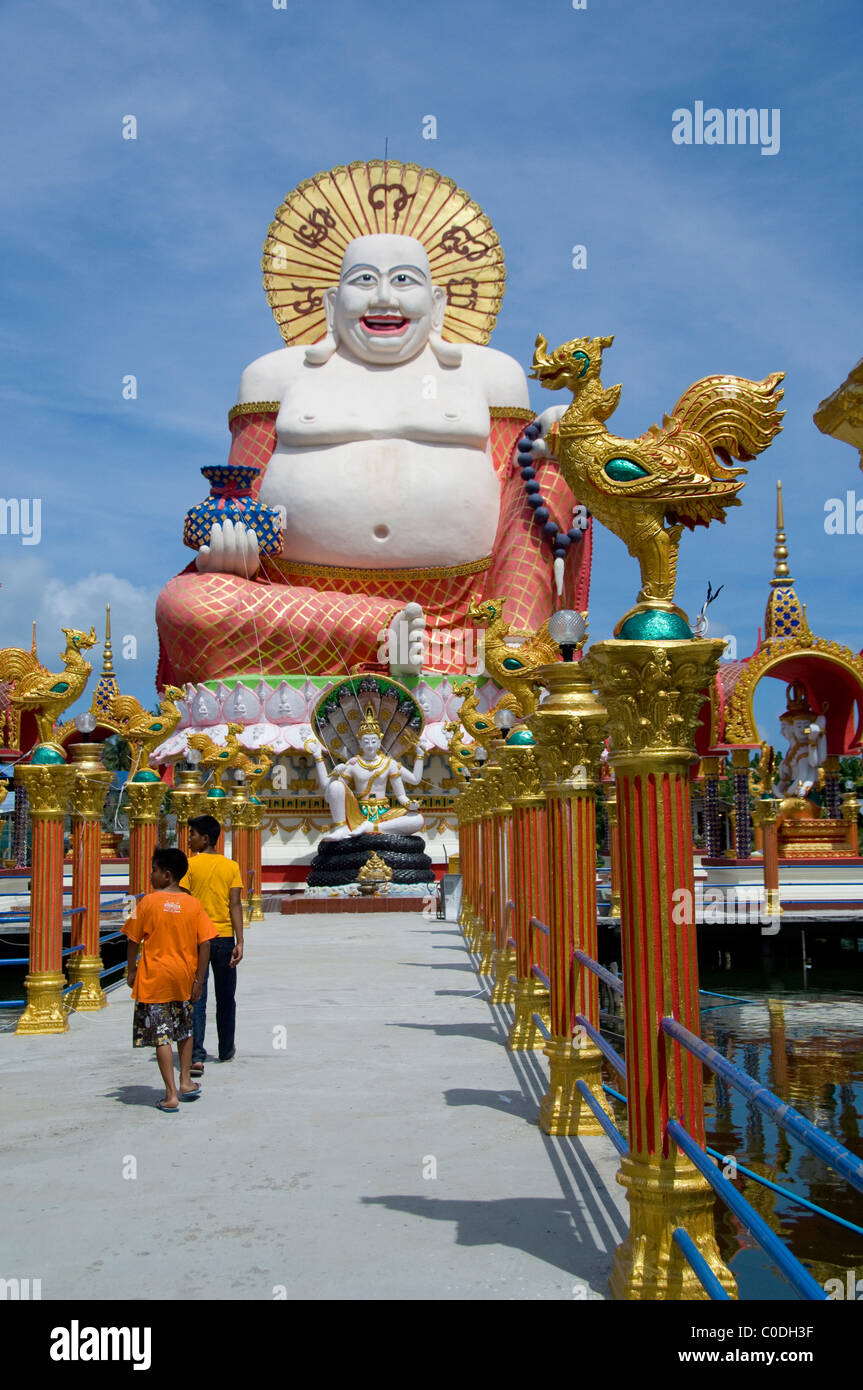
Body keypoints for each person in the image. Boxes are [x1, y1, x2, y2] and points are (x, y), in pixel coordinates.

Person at [124, 847, 217, 1113]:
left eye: (153, 871)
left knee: (162, 1035)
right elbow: (206, 943)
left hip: (155, 977)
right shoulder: (193, 903)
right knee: (184, 1030)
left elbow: (132, 939)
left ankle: (170, 1094)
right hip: (184, 977)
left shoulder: (146, 903)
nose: (150, 876)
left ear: (166, 875)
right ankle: (186, 1081)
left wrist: (131, 970)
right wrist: (199, 979)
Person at [182, 814, 244, 1076]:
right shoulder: (231, 866)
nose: (189, 838)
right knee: (226, 996)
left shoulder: (189, 866)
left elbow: (184, 902)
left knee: (197, 996)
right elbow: (235, 904)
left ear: (205, 838)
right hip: (225, 937)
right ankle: (226, 1047)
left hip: (198, 939)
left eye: (192, 834)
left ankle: (196, 1055)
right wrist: (240, 940)